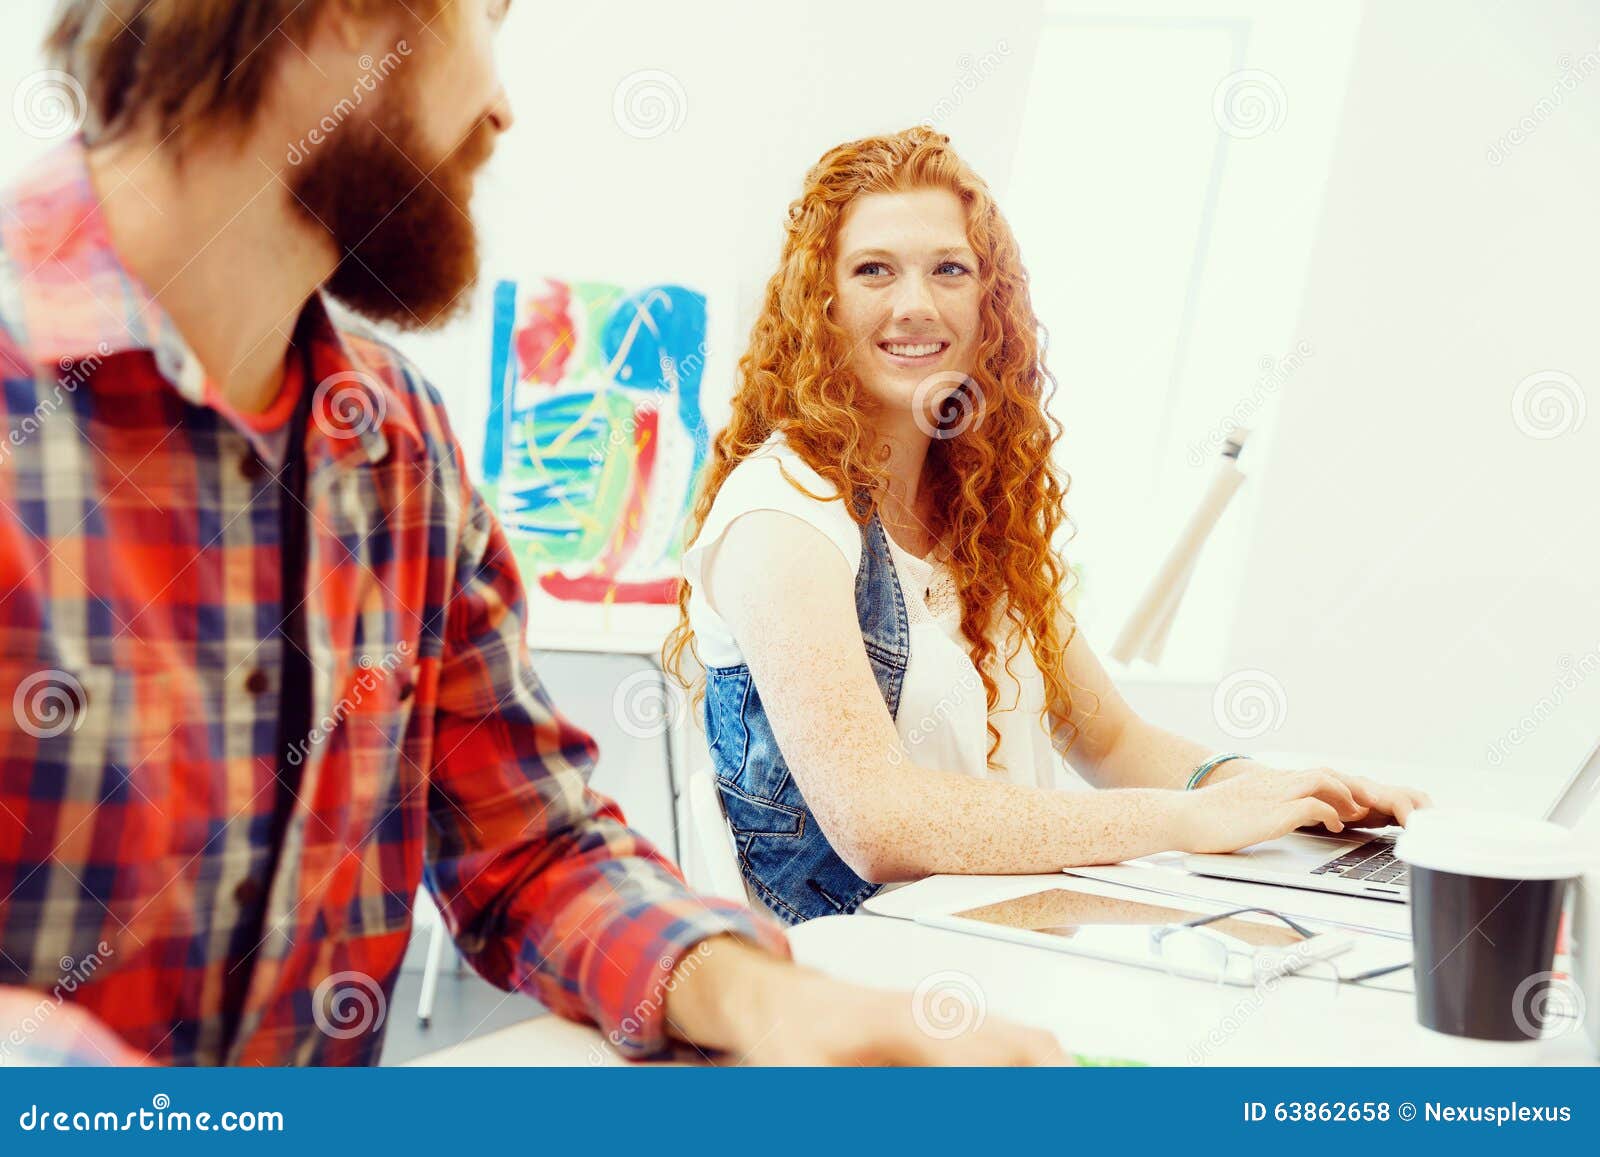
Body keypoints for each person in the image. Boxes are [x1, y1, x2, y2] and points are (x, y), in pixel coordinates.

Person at [0, 2, 1063, 1066]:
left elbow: (531, 847)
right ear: (337, 23)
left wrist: (761, 1000)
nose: (500, 109)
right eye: (488, 24)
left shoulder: (393, 444)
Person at [664, 127, 1431, 925]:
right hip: (871, 978)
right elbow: (878, 823)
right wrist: (1184, 822)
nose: (916, 304)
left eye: (949, 269)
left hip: (1018, 933)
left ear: (989, 303)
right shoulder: (780, 514)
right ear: (818, 302)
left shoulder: (973, 509)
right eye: (873, 270)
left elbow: (1114, 742)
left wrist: (1282, 789)